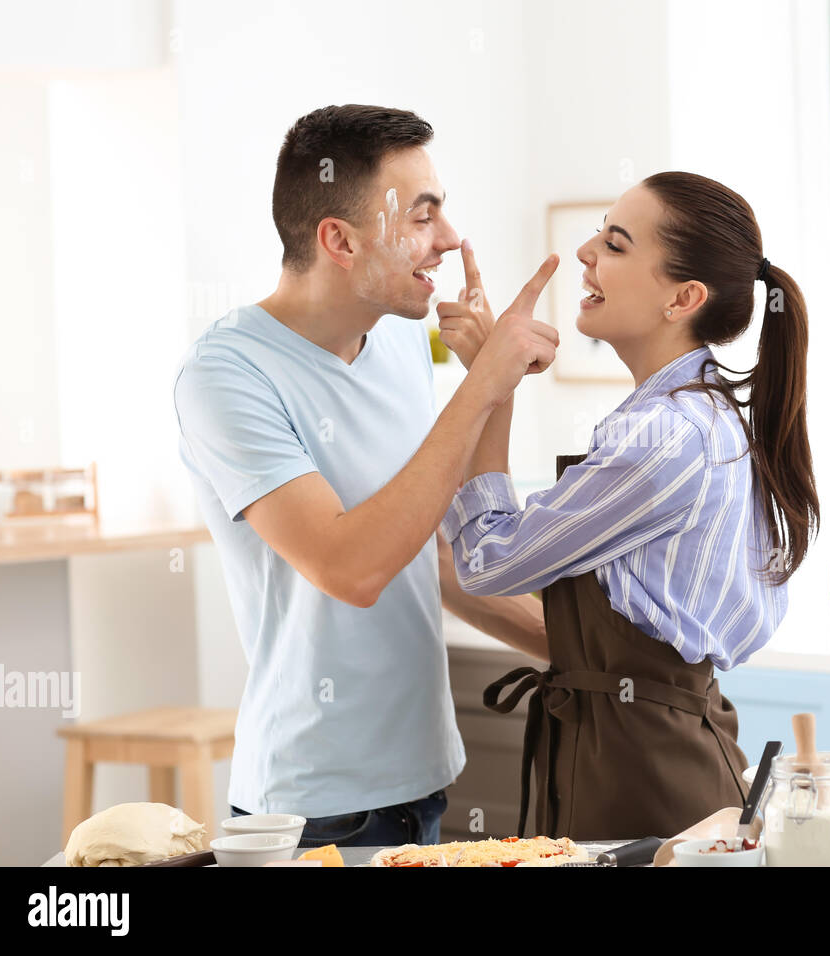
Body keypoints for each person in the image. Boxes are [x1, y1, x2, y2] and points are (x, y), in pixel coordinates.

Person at [172, 104, 560, 847]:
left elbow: (434, 553)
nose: (448, 240)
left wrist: (602, 660)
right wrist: (482, 383)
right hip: (313, 807)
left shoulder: (400, 345)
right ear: (340, 241)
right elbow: (352, 566)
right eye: (421, 217)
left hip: (424, 782)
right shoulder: (226, 375)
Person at [438, 171, 820, 840]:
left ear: (684, 298)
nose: (587, 254)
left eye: (615, 244)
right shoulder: (695, 420)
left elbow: (489, 560)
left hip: (647, 778)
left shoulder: (665, 437)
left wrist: (490, 383)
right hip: (636, 758)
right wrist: (490, 379)